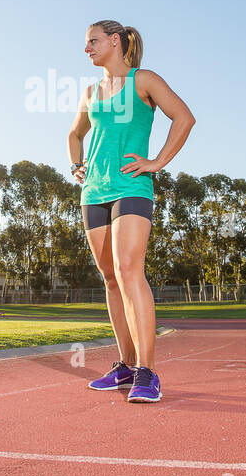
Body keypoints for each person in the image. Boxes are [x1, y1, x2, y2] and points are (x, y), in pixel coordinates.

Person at [67, 20, 195, 403]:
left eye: (93, 41)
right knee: (109, 276)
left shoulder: (144, 81)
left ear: (115, 41)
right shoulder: (90, 93)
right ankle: (123, 365)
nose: (86, 48)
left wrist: (156, 162)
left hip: (131, 187)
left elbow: (184, 118)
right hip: (93, 192)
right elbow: (75, 134)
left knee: (128, 269)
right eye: (86, 42)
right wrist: (76, 165)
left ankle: (147, 371)